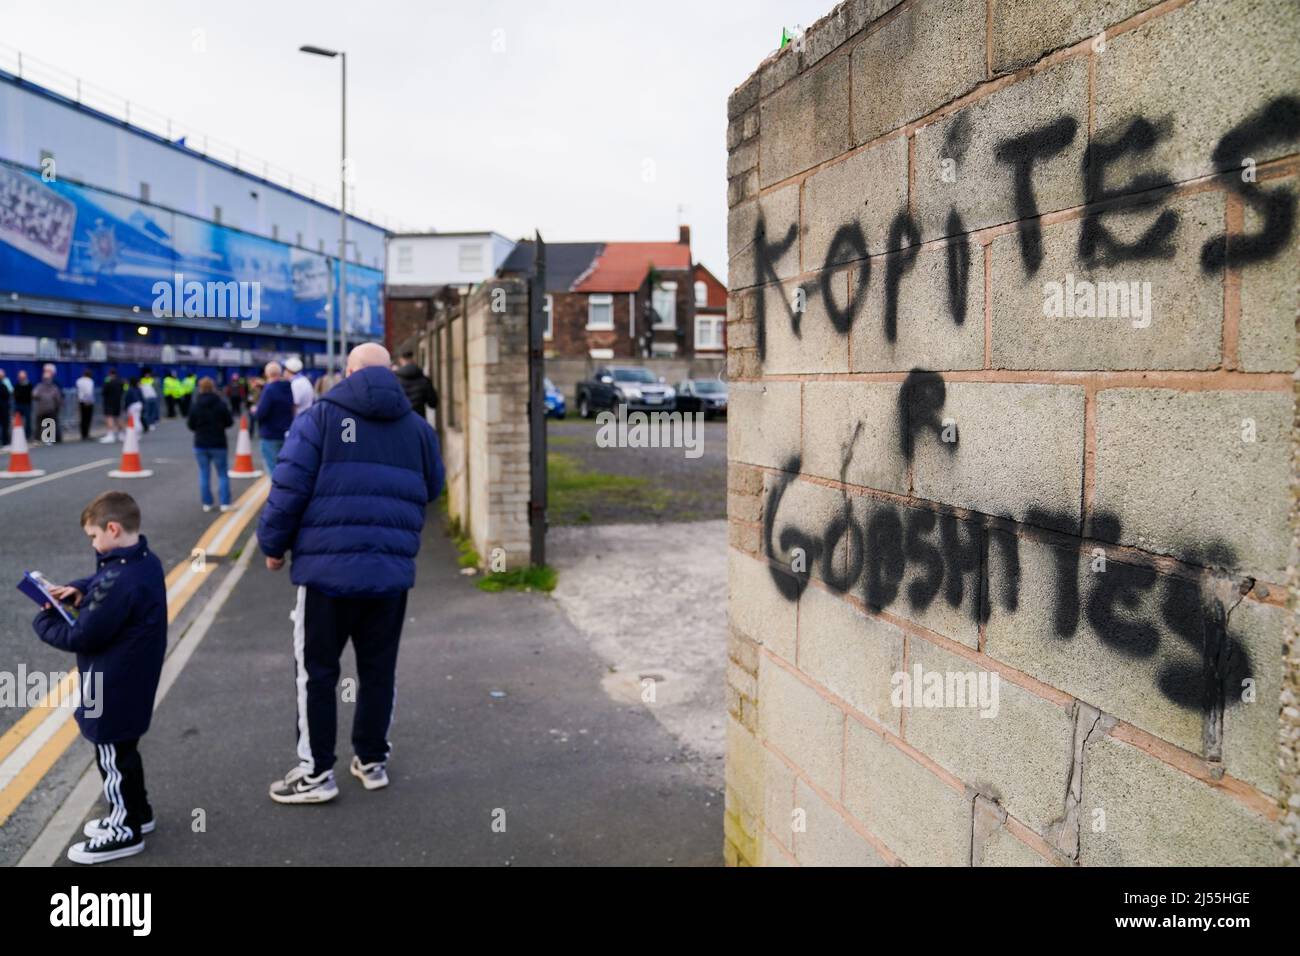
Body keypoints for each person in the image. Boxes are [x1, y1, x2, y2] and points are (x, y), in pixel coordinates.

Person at [257, 343, 444, 804]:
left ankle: (317, 773)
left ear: (349, 371)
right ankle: (371, 760)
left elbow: (288, 487)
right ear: (391, 373)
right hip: (390, 573)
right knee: (379, 670)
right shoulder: (417, 428)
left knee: (317, 673)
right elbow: (433, 487)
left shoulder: (319, 419)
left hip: (326, 575)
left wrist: (273, 545)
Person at [32, 491, 167, 863]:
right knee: (125, 752)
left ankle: (125, 831)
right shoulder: (142, 561)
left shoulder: (120, 580)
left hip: (112, 685)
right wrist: (81, 587)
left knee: (112, 756)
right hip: (132, 680)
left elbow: (82, 635)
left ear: (112, 528)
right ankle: (137, 813)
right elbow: (104, 579)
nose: (93, 543)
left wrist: (43, 620)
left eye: (93, 537)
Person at [187, 376, 234, 513]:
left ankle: (207, 503)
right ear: (213, 387)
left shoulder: (196, 405)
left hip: (200, 442)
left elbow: (191, 425)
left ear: (200, 388)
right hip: (218, 442)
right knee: (222, 474)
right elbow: (229, 422)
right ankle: (225, 502)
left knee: (204, 473)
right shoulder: (220, 404)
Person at [253, 362, 294, 471]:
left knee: (272, 469)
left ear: (267, 374)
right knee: (284, 468)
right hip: (285, 432)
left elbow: (261, 413)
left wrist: (254, 412)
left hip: (270, 434)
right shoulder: (288, 387)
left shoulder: (269, 390)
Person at [395, 350, 439, 421]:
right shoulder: (424, 379)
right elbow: (433, 403)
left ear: (400, 360)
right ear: (413, 359)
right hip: (419, 421)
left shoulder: (394, 380)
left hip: (400, 421)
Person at [32, 366, 62, 444]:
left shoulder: (39, 386)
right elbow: (58, 397)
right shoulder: (54, 387)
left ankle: (37, 439)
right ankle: (48, 439)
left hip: (41, 408)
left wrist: (39, 398)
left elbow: (34, 395)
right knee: (49, 423)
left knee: (39, 424)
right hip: (51, 408)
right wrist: (58, 405)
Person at [100, 367, 123, 442]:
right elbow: (123, 391)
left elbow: (103, 392)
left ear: (110, 374)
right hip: (118, 402)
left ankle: (111, 435)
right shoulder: (120, 382)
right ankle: (121, 434)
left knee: (109, 418)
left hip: (109, 402)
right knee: (118, 418)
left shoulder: (108, 382)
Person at [76, 368, 95, 441]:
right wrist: (88, 400)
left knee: (82, 418)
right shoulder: (90, 381)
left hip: (81, 401)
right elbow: (89, 391)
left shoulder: (79, 380)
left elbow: (79, 391)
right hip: (88, 401)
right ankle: (87, 434)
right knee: (88, 418)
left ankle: (82, 434)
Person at [13, 369, 33, 440]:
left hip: (27, 405)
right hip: (18, 405)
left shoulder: (29, 385)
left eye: (22, 377)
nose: (21, 379)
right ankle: (17, 435)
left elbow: (30, 395)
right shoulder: (17, 385)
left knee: (28, 421)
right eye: (20, 377)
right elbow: (15, 395)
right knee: (17, 420)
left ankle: (28, 435)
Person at [0, 368, 11, 448]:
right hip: (3, 408)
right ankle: (5, 442)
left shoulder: (6, 382)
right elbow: (8, 394)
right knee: (5, 425)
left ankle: (5, 441)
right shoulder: (4, 384)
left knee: (5, 426)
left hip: (4, 408)